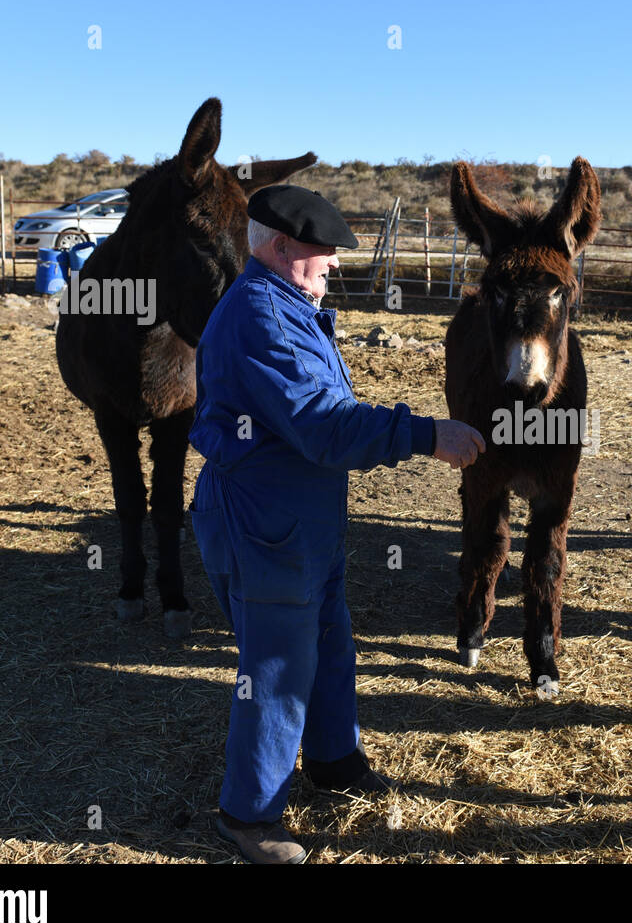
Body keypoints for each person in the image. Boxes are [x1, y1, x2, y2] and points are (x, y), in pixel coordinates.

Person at [188, 184, 485, 864]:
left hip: (302, 520)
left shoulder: (290, 306)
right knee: (276, 665)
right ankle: (248, 814)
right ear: (283, 246)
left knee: (327, 640)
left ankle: (333, 759)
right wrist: (423, 434)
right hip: (264, 520)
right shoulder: (261, 316)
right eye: (324, 251)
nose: (333, 264)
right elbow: (324, 425)